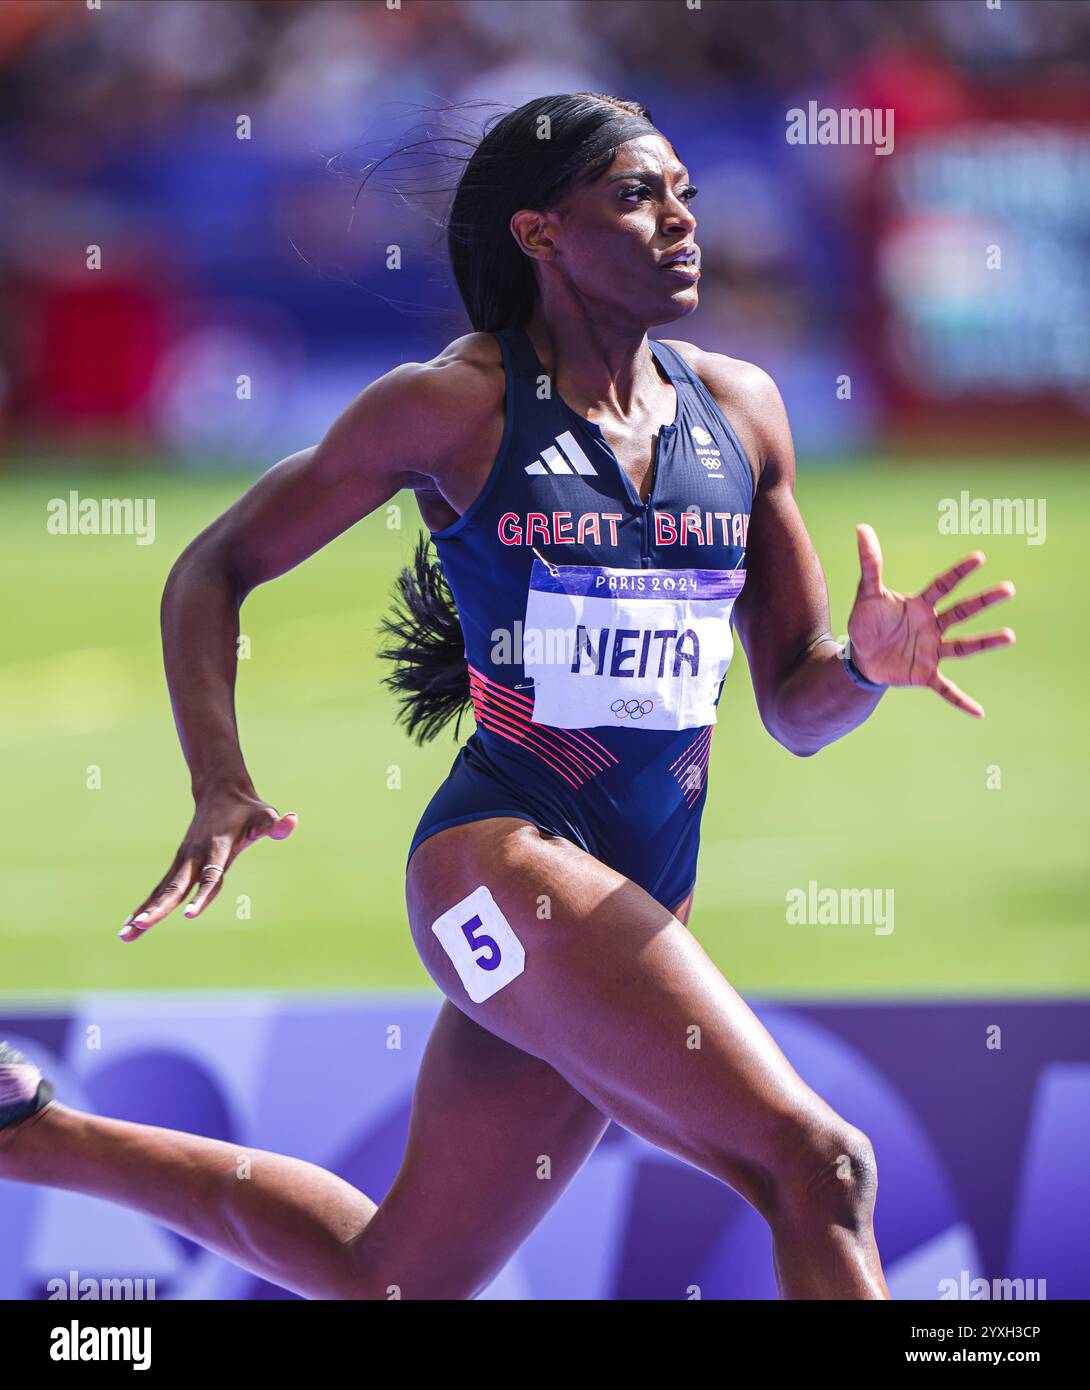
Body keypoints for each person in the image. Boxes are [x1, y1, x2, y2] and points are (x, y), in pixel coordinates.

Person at [0, 93, 1014, 1300]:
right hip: (500, 867)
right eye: (638, 196)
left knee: (396, 1279)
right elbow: (212, 567)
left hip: (635, 900)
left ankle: (30, 1131)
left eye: (684, 191)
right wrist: (220, 778)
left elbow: (793, 710)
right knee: (818, 1165)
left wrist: (862, 666)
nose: (684, 222)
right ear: (540, 234)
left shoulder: (740, 411)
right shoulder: (453, 406)